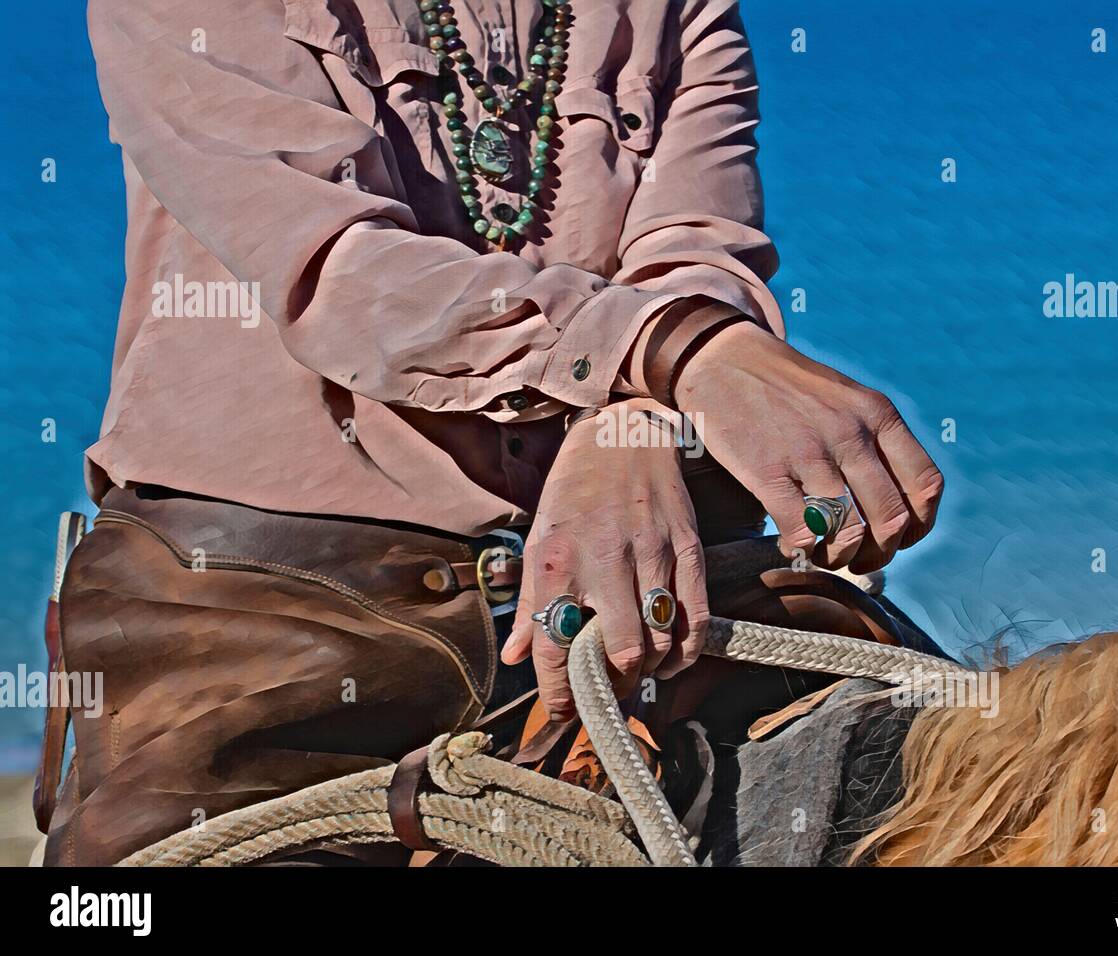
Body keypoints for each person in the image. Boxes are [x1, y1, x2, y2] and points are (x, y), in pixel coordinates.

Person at [43, 0, 942, 865]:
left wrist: (629, 427)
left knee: (980, 773)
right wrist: (675, 355)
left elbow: (696, 254)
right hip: (274, 627)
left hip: (647, 590)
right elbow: (341, 272)